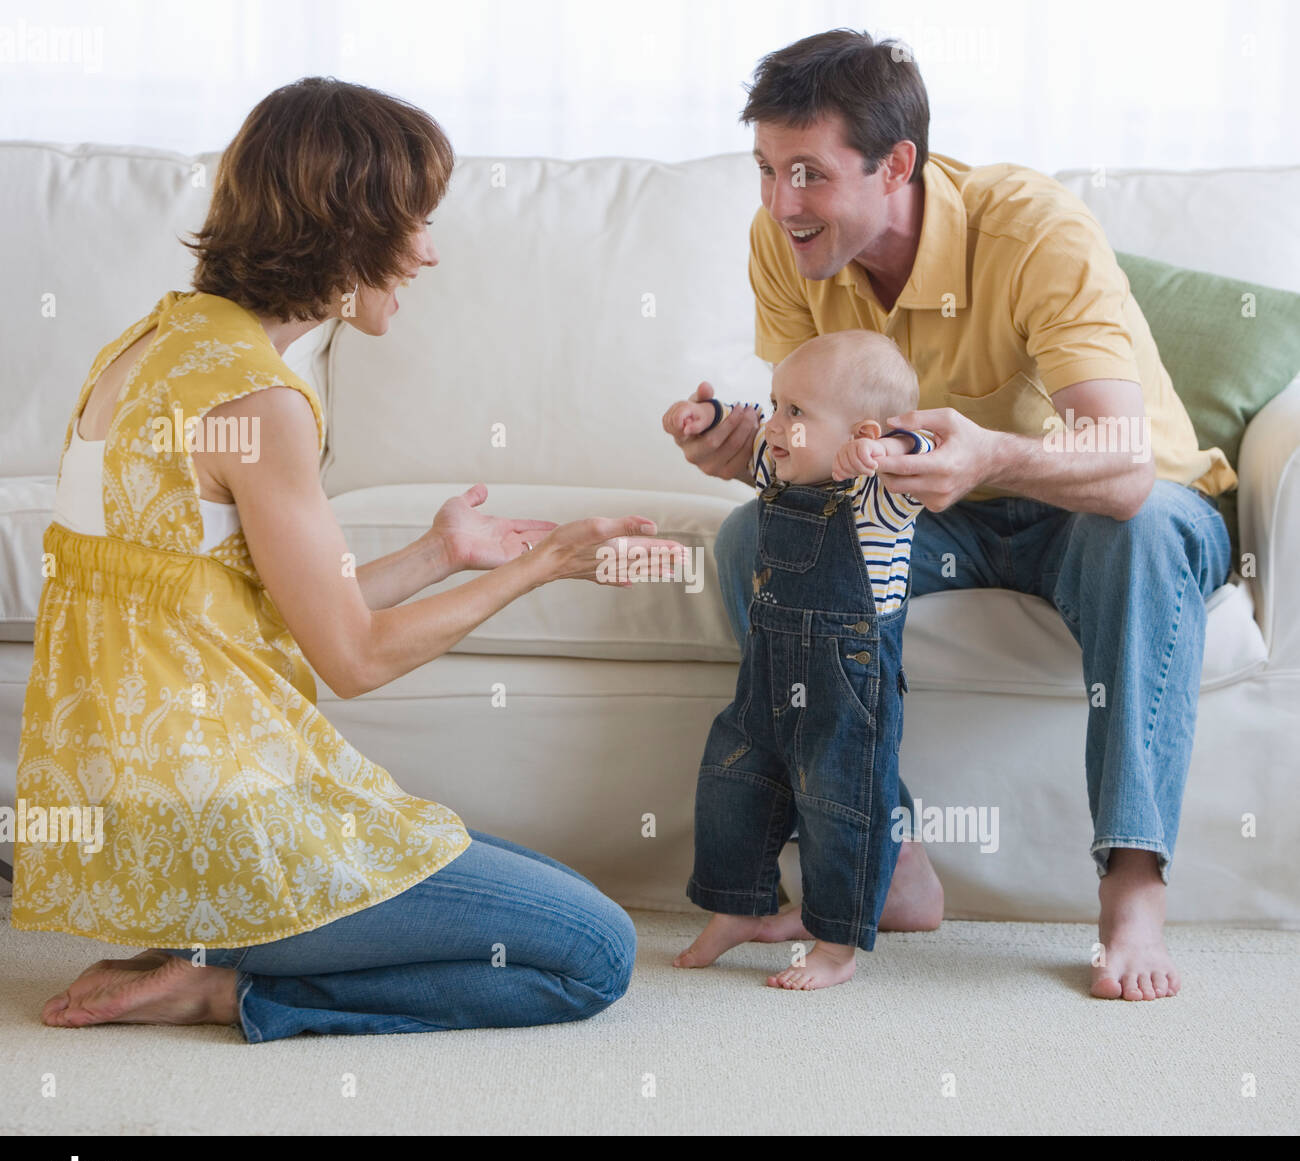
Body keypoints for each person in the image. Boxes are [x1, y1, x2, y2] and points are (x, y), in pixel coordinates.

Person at [17, 77, 683, 1043]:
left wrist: (442, 553)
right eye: (411, 222)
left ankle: (212, 945)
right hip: (223, 827)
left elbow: (246, 606)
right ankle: (231, 987)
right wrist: (539, 568)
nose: (427, 251)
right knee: (594, 950)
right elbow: (355, 658)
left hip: (147, 825)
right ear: (345, 230)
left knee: (550, 893)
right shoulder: (257, 401)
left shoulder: (156, 343)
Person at [664, 30, 1234, 1001]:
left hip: (1103, 501)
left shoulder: (1030, 228)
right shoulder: (786, 245)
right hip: (932, 506)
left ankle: (1131, 884)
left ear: (896, 166)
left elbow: (1123, 464)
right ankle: (889, 860)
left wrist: (994, 455)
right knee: (758, 536)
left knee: (1140, 529)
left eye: (806, 172)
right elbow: (813, 451)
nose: (778, 203)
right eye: (765, 170)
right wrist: (746, 451)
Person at [668, 331, 935, 988]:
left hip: (846, 681)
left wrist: (890, 448)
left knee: (839, 801)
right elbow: (745, 432)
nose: (776, 425)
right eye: (776, 403)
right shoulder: (780, 469)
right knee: (732, 781)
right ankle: (736, 909)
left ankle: (836, 947)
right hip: (769, 668)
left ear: (862, 433)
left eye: (795, 413)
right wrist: (708, 418)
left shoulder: (881, 499)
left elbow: (927, 447)